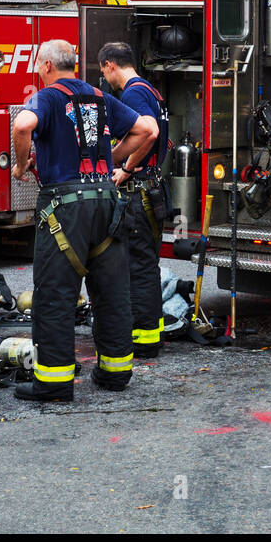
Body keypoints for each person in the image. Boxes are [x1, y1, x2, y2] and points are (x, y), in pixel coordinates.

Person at [11, 39, 157, 402]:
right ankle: (115, 372)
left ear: (46, 67)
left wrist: (21, 163)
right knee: (111, 291)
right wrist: (113, 158)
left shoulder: (47, 97)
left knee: (56, 295)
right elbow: (147, 131)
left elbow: (21, 124)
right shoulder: (100, 96)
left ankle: (54, 383)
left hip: (65, 207)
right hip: (107, 201)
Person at [99, 42, 169, 357]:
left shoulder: (132, 93)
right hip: (152, 189)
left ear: (111, 65)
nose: (105, 78)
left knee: (137, 266)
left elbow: (149, 133)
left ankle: (143, 340)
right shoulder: (150, 90)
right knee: (146, 265)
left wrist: (121, 166)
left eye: (103, 71)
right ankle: (151, 333)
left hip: (139, 191)